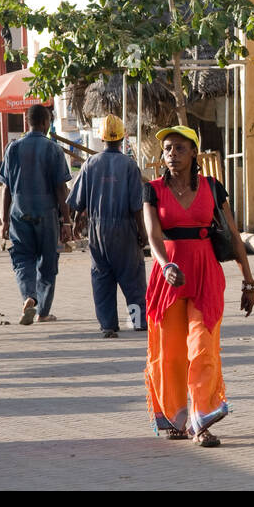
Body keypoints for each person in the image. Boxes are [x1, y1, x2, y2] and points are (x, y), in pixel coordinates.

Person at [142, 125, 254, 447]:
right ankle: (178, 419)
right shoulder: (152, 189)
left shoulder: (213, 187)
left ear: (194, 152)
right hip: (169, 278)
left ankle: (202, 420)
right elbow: (152, 235)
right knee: (170, 353)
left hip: (206, 273)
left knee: (202, 347)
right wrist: (166, 266)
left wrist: (248, 281)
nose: (172, 155)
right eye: (167, 149)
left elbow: (234, 235)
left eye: (179, 148)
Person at [67, 115, 147, 339]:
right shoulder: (130, 165)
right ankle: (138, 320)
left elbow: (78, 203)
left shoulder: (90, 164)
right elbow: (136, 206)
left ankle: (108, 325)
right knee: (133, 278)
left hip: (97, 229)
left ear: (101, 138)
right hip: (125, 229)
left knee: (102, 277)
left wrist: (76, 223)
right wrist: (142, 233)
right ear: (122, 137)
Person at [0, 104, 73, 325]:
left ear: (26, 121)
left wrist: (4, 221)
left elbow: (6, 188)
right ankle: (43, 312)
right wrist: (66, 221)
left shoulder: (12, 148)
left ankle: (29, 296)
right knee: (48, 263)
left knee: (22, 259)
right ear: (46, 123)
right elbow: (62, 189)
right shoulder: (53, 149)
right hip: (47, 215)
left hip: (19, 214)